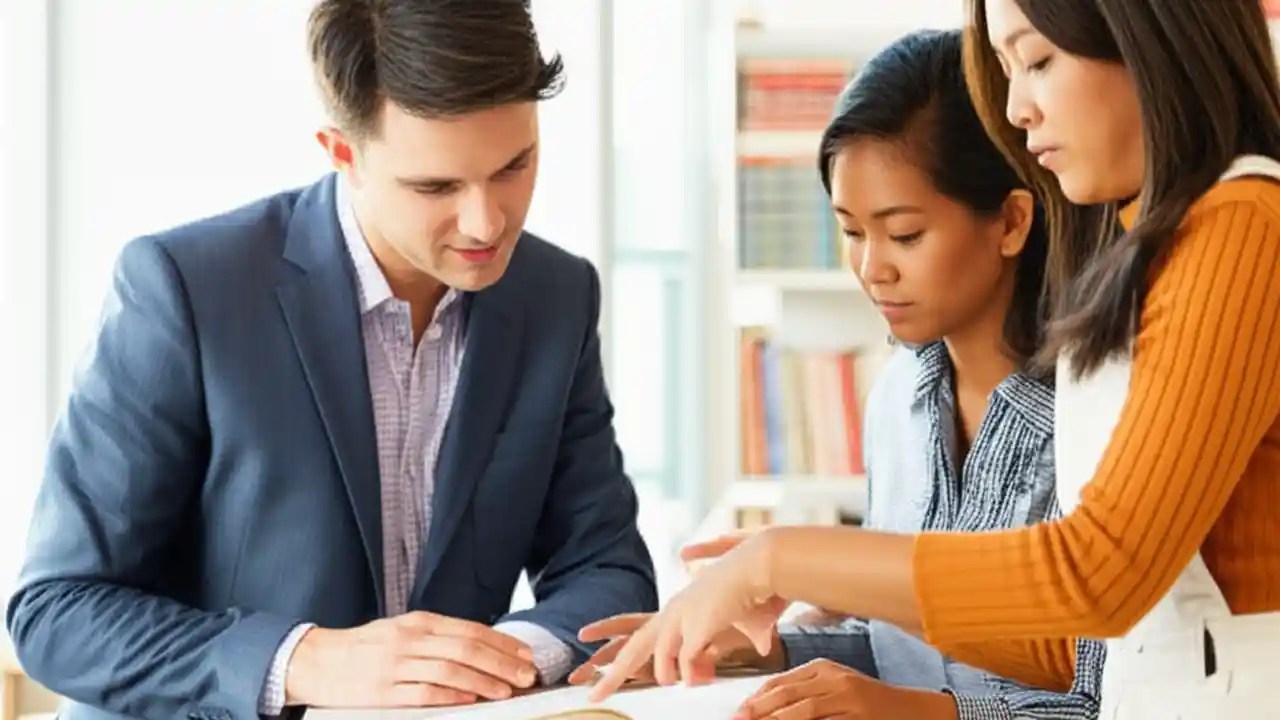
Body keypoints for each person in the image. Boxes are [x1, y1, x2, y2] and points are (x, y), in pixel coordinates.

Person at [588, 1, 1280, 717]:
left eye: (1037, 61)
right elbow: (1072, 645)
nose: (1015, 110)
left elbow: (1097, 577)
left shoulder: (1241, 229)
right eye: (1006, 72)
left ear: (1147, 39)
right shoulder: (1151, 258)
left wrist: (780, 557)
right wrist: (819, 604)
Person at [6, 2, 656, 719]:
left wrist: (493, 664)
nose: (486, 222)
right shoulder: (186, 287)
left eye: (514, 166)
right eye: (435, 187)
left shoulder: (555, 295)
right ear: (341, 150)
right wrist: (304, 661)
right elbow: (57, 612)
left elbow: (606, 569)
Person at [573, 30, 1102, 720]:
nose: (871, 268)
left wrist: (915, 714)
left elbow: (1111, 699)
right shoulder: (899, 400)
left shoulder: (1095, 412)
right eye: (852, 232)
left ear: (1009, 220)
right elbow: (899, 653)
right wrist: (761, 652)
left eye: (905, 234)